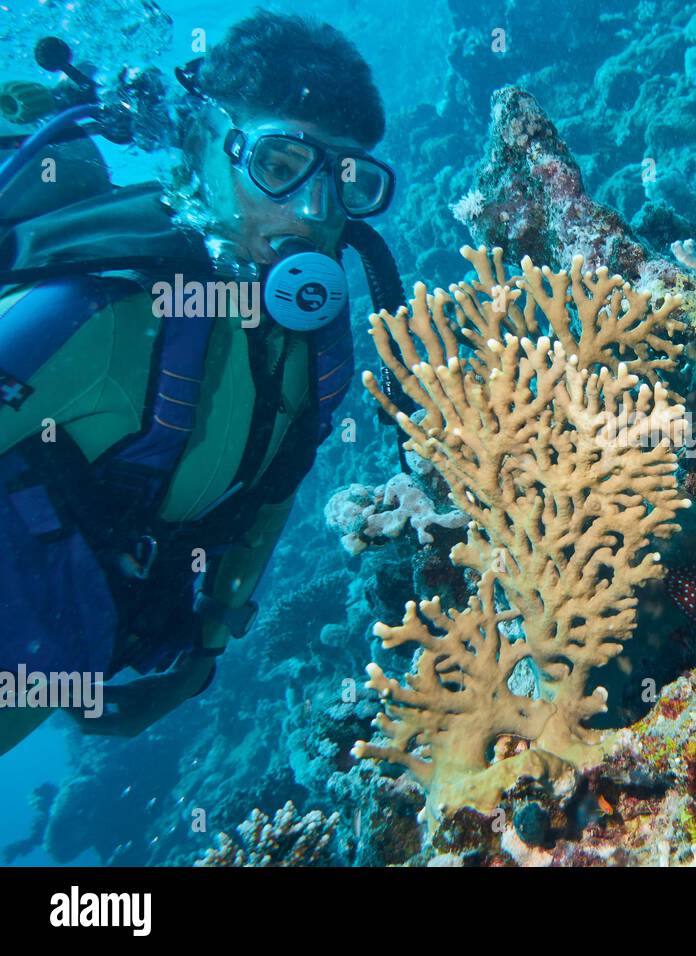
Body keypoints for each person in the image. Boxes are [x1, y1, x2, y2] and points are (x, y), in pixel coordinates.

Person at [0, 10, 398, 754]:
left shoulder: (314, 345)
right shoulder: (90, 314)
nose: (316, 213)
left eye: (348, 181)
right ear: (197, 147)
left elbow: (270, 494)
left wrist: (199, 661)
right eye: (279, 166)